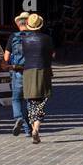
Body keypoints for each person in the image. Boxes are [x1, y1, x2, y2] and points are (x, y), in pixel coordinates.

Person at [19, 13, 54, 144]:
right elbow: (50, 55)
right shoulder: (47, 39)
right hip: (43, 70)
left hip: (28, 71)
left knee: (32, 102)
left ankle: (33, 127)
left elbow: (25, 54)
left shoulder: (24, 40)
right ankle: (37, 128)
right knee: (41, 102)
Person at [1, 12, 30, 137]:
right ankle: (29, 130)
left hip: (17, 72)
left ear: (18, 24)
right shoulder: (35, 36)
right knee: (30, 100)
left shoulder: (13, 37)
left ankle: (19, 118)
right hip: (31, 72)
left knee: (16, 98)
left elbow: (6, 57)